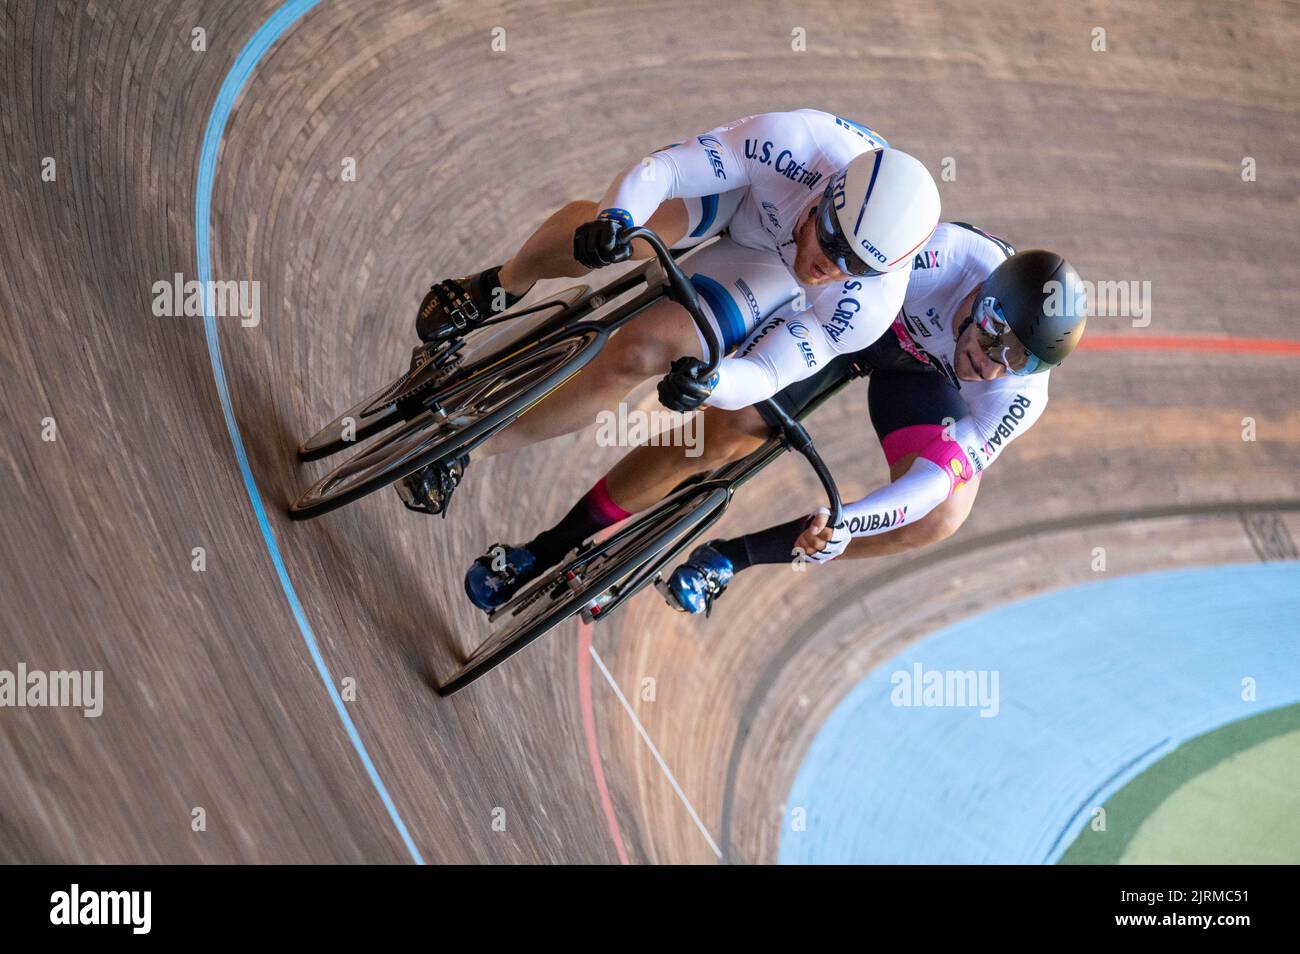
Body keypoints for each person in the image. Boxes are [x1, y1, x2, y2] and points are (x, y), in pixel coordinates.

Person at [463, 222, 1087, 613]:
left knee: (944, 516)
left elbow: (930, 484)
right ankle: (545, 550)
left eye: (1020, 363)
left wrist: (845, 523)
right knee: (726, 432)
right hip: (853, 317)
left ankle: (728, 558)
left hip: (917, 380)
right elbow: (820, 295)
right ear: (983, 297)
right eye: (997, 339)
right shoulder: (945, 257)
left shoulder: (1018, 397)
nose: (995, 367)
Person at [395, 109, 940, 515]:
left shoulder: (870, 303)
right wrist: (616, 217)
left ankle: (468, 447)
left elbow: (773, 370)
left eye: (853, 265)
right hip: (744, 196)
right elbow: (665, 172)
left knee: (642, 352)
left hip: (768, 273)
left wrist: (712, 381)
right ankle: (501, 284)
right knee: (633, 239)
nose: (829, 264)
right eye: (830, 237)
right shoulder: (796, 143)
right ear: (827, 193)